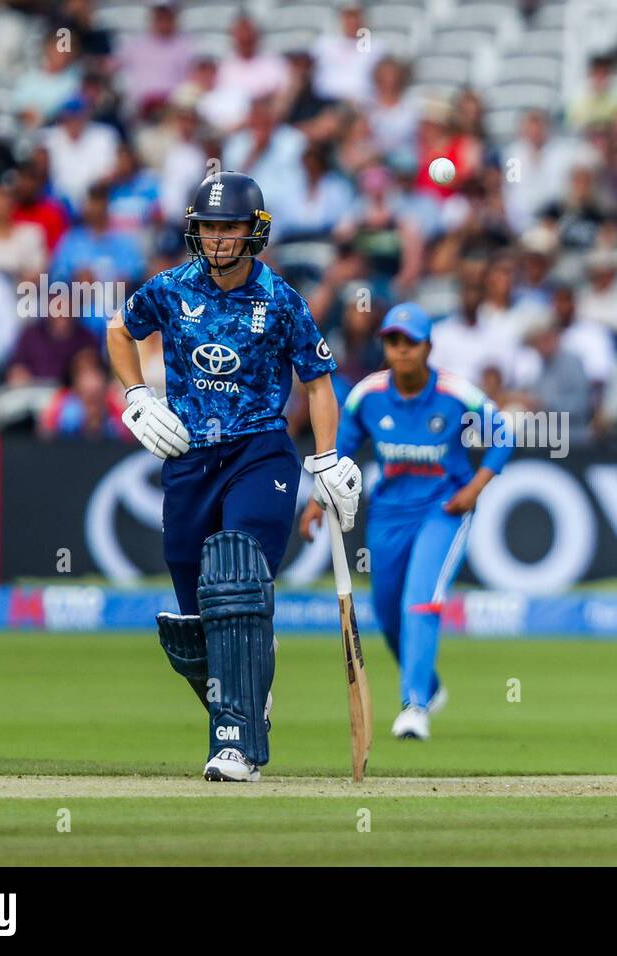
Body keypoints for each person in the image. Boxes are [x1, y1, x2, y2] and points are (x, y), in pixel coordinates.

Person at [106, 171, 362, 783]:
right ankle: (247, 689)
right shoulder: (170, 289)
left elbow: (318, 382)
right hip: (189, 456)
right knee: (197, 621)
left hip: (260, 452)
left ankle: (236, 743)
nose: (220, 239)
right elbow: (120, 330)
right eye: (211, 227)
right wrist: (137, 397)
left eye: (232, 228)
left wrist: (325, 457)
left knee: (239, 573)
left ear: (256, 232)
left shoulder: (280, 300)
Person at [300, 303, 512, 741]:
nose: (402, 351)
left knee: (422, 600)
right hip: (388, 513)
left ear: (428, 347)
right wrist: (319, 500)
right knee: (387, 611)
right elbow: (339, 449)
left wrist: (474, 489)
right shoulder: (368, 394)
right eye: (393, 342)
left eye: (410, 342)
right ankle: (430, 686)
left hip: (443, 510)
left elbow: (503, 434)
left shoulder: (457, 394)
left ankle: (414, 705)